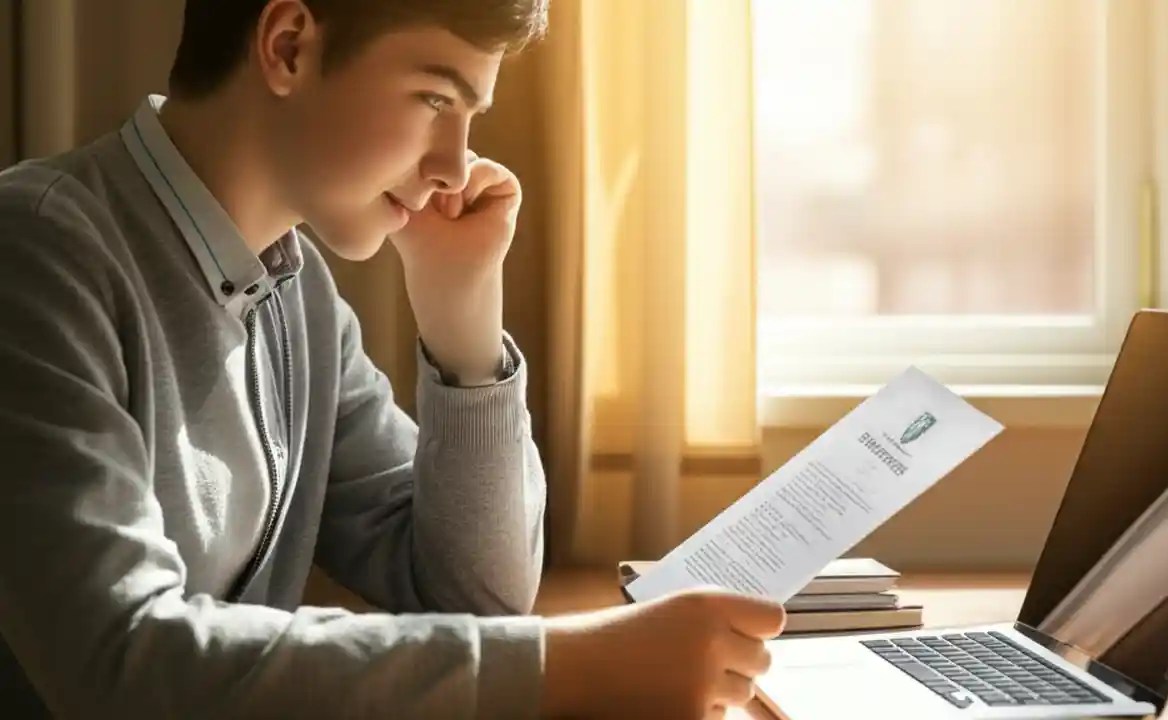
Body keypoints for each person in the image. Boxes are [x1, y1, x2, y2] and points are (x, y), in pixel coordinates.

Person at [0, 1, 784, 718]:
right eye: (436, 99)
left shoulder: (295, 298)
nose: (453, 168)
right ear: (289, 47)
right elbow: (114, 664)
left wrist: (464, 319)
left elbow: (475, 599)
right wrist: (568, 666)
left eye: (469, 115)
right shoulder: (36, 254)